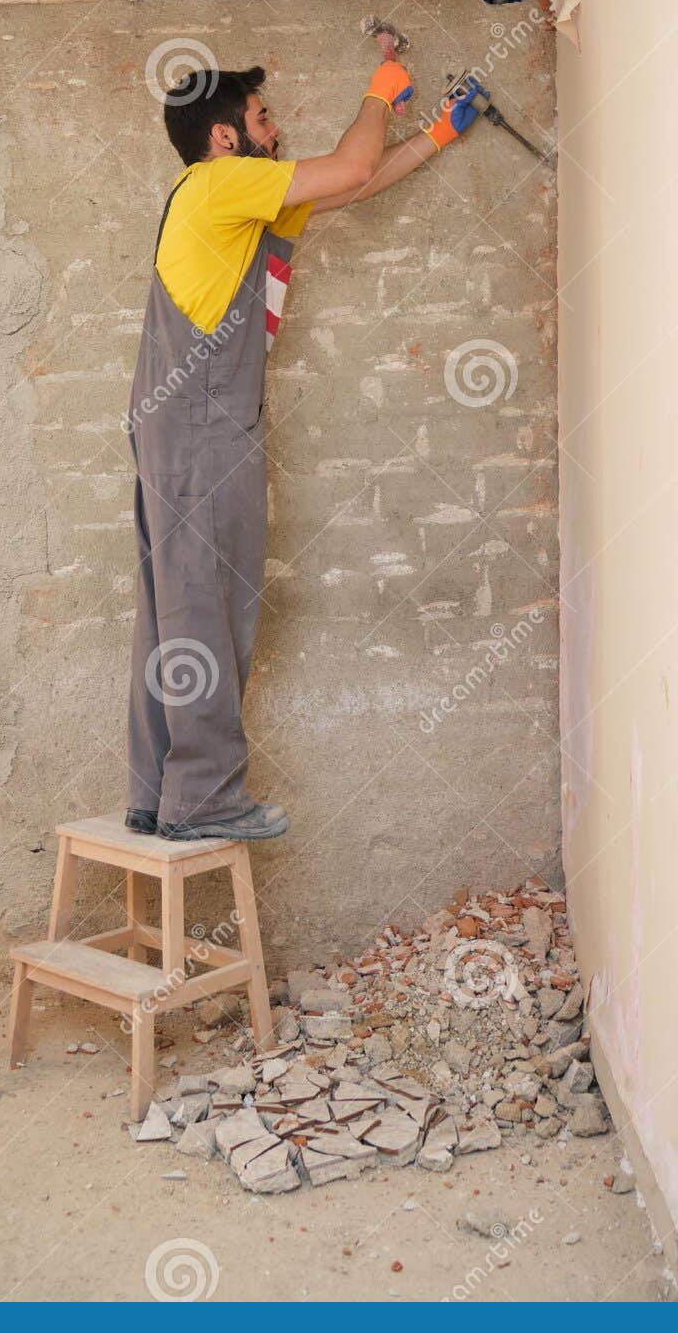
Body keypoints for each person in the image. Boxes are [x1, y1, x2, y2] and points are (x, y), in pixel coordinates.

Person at [125, 55, 489, 840]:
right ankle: (206, 800)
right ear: (223, 136)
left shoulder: (234, 203)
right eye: (262, 120)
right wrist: (377, 89)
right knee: (208, 609)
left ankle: (159, 793)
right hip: (201, 425)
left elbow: (354, 182)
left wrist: (435, 132)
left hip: (183, 425)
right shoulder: (221, 184)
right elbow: (352, 158)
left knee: (176, 609)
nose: (275, 129)